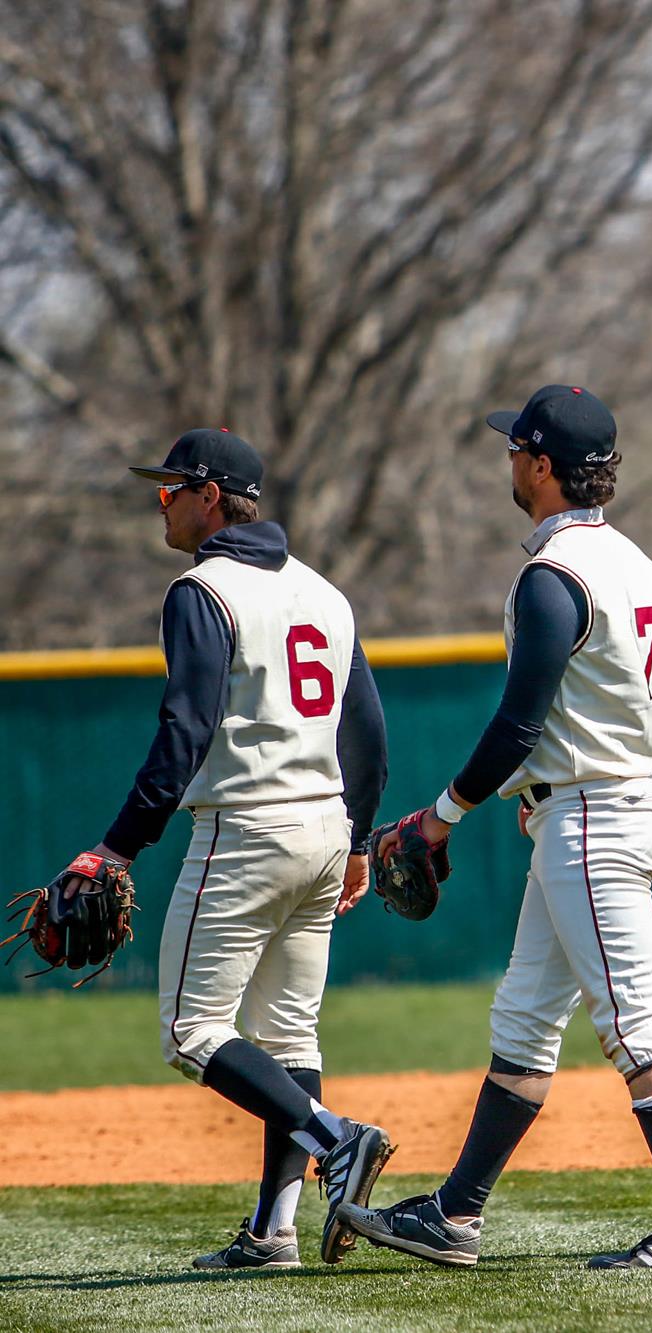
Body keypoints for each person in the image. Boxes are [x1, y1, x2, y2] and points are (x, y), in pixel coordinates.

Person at [337, 384, 652, 1271]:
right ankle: (456, 1213)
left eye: (516, 448)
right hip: (603, 805)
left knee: (635, 1023)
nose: (509, 460)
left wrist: (439, 820)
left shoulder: (553, 575)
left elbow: (519, 721)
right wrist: (555, 771)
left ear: (544, 465)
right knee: (524, 1020)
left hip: (593, 817)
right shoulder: (638, 564)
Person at [105, 429, 393, 1270]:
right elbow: (368, 737)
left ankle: (338, 1138)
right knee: (290, 1037)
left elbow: (185, 731)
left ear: (206, 494)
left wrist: (118, 847)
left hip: (246, 828)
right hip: (325, 827)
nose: (160, 503)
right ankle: (274, 1231)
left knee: (193, 1032)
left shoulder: (204, 590)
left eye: (168, 490)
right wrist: (360, 841)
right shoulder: (325, 593)